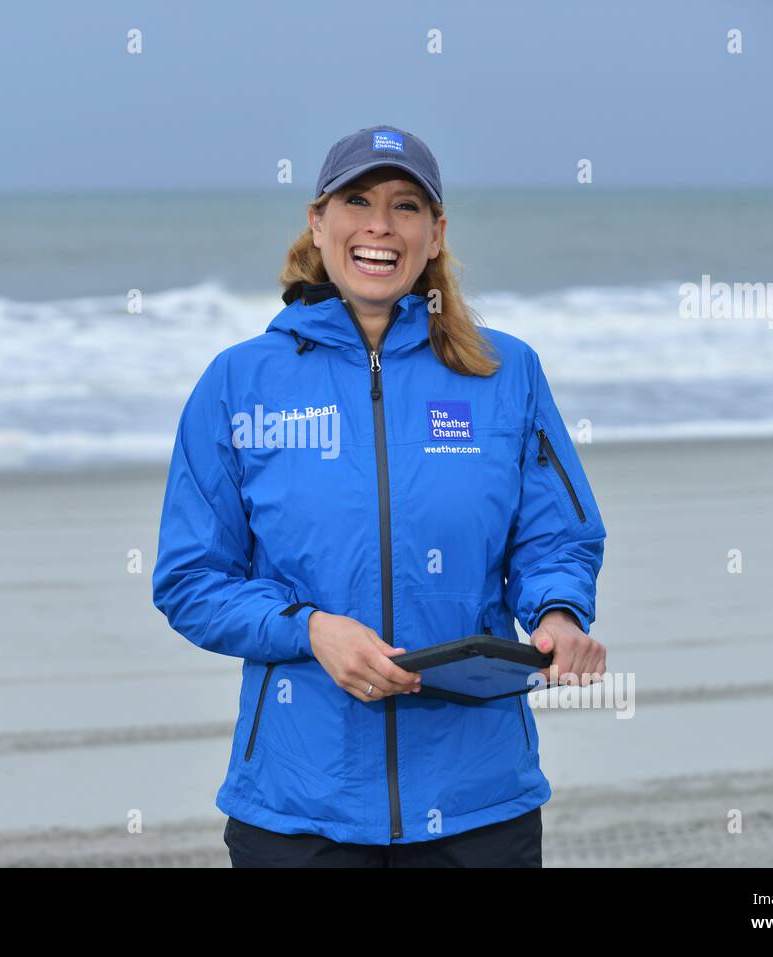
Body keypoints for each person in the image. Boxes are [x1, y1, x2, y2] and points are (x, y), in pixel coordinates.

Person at [152, 124, 607, 867]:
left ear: (436, 233)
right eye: (357, 199)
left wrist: (558, 611)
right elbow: (189, 580)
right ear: (317, 220)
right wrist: (311, 630)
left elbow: (555, 538)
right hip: (300, 810)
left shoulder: (506, 371)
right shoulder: (239, 382)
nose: (379, 225)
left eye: (405, 206)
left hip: (477, 805)